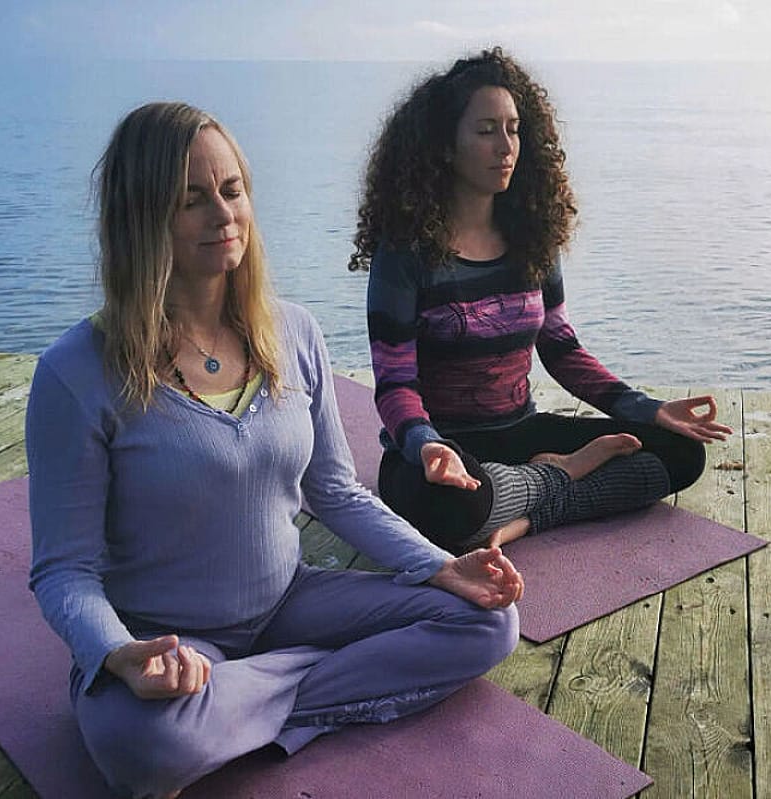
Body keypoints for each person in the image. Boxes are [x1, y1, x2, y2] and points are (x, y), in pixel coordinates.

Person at [26, 102, 522, 799]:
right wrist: (118, 655)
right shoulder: (76, 373)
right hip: (173, 645)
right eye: (190, 199)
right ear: (141, 215)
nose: (222, 214)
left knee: (489, 619)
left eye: (231, 191)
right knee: (145, 742)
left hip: (288, 600)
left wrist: (442, 567)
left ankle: (247, 702)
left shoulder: (293, 332)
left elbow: (336, 491)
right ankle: (290, 685)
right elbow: (64, 571)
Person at [349, 47, 732, 555]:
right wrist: (426, 444)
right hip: (440, 449)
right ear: (445, 145)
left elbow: (563, 350)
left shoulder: (532, 237)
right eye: (486, 131)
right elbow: (395, 382)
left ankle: (535, 501)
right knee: (449, 512)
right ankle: (557, 482)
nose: (506, 147)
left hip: (522, 432)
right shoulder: (405, 253)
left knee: (683, 452)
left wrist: (648, 409)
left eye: (513, 129)